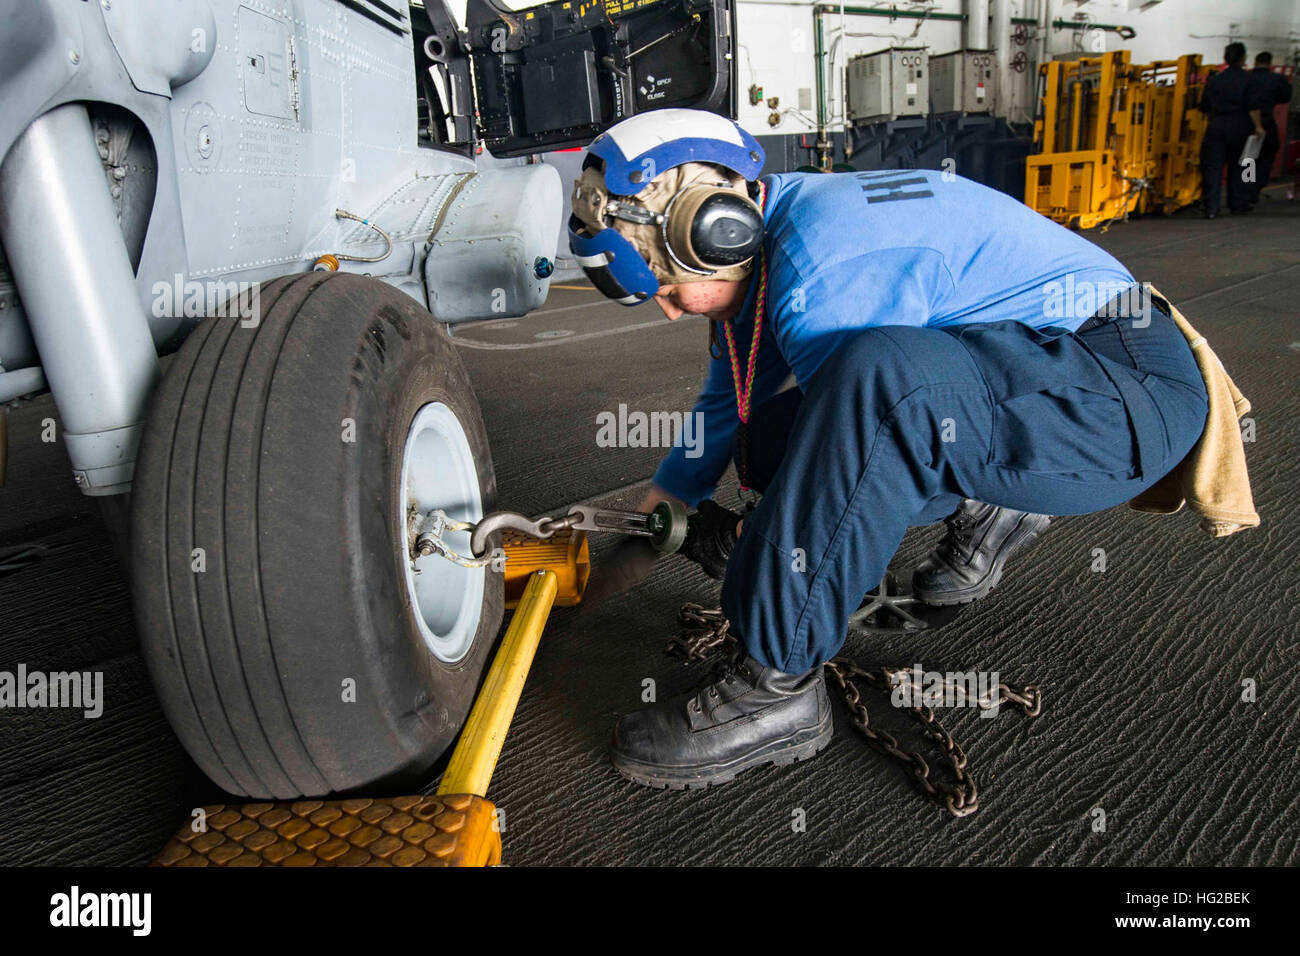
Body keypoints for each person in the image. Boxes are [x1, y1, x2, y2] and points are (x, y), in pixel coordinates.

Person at [569, 108, 1210, 790]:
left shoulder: (820, 272)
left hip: (1119, 399)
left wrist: (764, 555)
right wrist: (663, 514)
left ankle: (776, 688)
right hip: (1040, 373)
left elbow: (858, 453)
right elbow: (729, 404)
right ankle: (989, 506)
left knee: (876, 387)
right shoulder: (776, 234)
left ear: (719, 230)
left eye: (667, 286)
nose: (669, 308)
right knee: (774, 441)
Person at [1199, 42, 1268, 218]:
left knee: (1212, 168)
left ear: (1225, 59)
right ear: (1244, 59)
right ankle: (1240, 203)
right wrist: (1259, 127)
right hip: (1241, 126)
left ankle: (1211, 208)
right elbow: (1253, 106)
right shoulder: (1250, 79)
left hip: (1216, 126)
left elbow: (1204, 106)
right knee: (1246, 164)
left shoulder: (1214, 80)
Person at [1246, 52, 1294, 205]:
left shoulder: (1247, 77)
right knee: (1268, 153)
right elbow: (1285, 97)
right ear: (1269, 62)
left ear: (1255, 61)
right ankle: (1257, 185)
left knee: (1249, 156)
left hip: (1246, 121)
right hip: (1266, 119)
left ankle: (1248, 185)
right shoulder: (1277, 79)